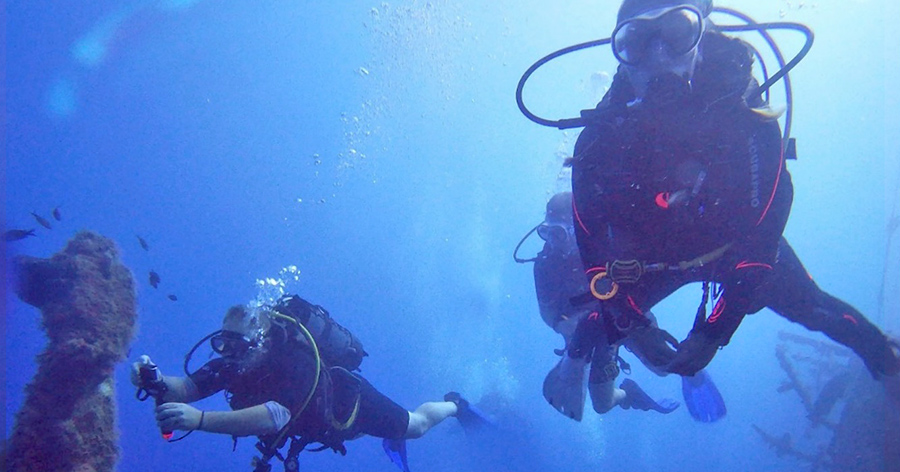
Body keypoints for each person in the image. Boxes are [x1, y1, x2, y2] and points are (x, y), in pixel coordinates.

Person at [565, 0, 900, 381]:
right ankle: (572, 375)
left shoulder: (743, 111)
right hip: (653, 262)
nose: (658, 56)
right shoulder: (602, 139)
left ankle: (888, 365)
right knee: (595, 324)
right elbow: (592, 250)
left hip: (738, 251)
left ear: (702, 35)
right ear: (622, 56)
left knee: (814, 309)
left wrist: (715, 330)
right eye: (637, 41)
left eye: (677, 31)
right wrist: (632, 326)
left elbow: (767, 225)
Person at [131, 294, 482, 472]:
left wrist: (199, 420)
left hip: (350, 406)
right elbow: (188, 390)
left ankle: (455, 404)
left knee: (415, 426)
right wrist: (157, 380)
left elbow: (275, 416)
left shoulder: (292, 360)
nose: (230, 352)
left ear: (261, 339)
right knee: (355, 435)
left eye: (239, 343)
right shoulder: (231, 363)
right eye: (224, 343)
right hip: (317, 426)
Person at [530, 192, 724, 422]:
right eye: (547, 232)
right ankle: (627, 395)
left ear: (576, 228)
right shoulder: (545, 265)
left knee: (662, 368)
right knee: (602, 404)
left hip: (628, 318)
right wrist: (568, 328)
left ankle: (690, 365)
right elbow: (548, 312)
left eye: (559, 233)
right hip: (586, 337)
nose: (552, 241)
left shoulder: (605, 247)